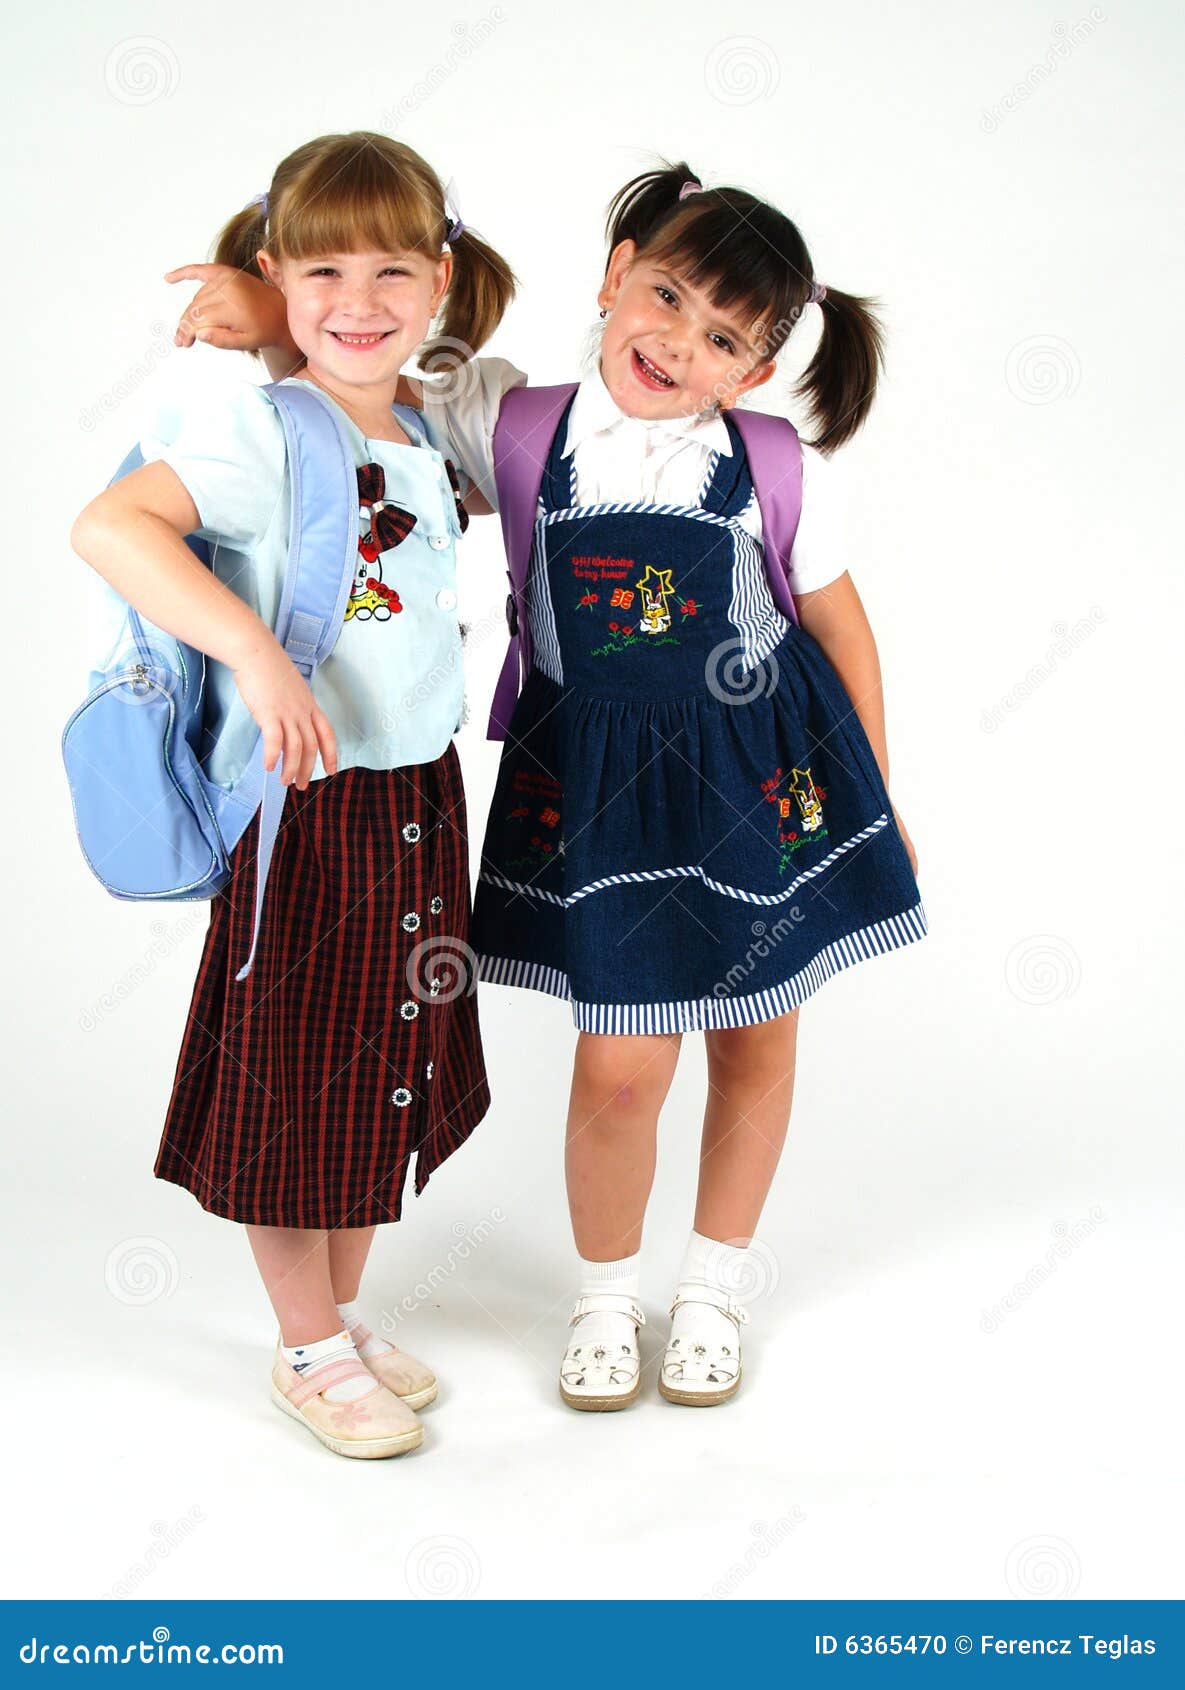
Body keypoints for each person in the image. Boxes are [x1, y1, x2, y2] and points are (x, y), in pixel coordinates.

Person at [71, 131, 515, 1459]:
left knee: (389, 1068)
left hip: (419, 795)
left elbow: (503, 420)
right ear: (276, 274)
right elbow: (110, 525)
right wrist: (256, 655)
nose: (359, 302)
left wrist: (279, 321)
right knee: (295, 1080)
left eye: (391, 272)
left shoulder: (423, 425)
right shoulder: (262, 431)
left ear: (439, 281)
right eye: (322, 272)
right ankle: (307, 1345)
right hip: (307, 809)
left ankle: (337, 1316)